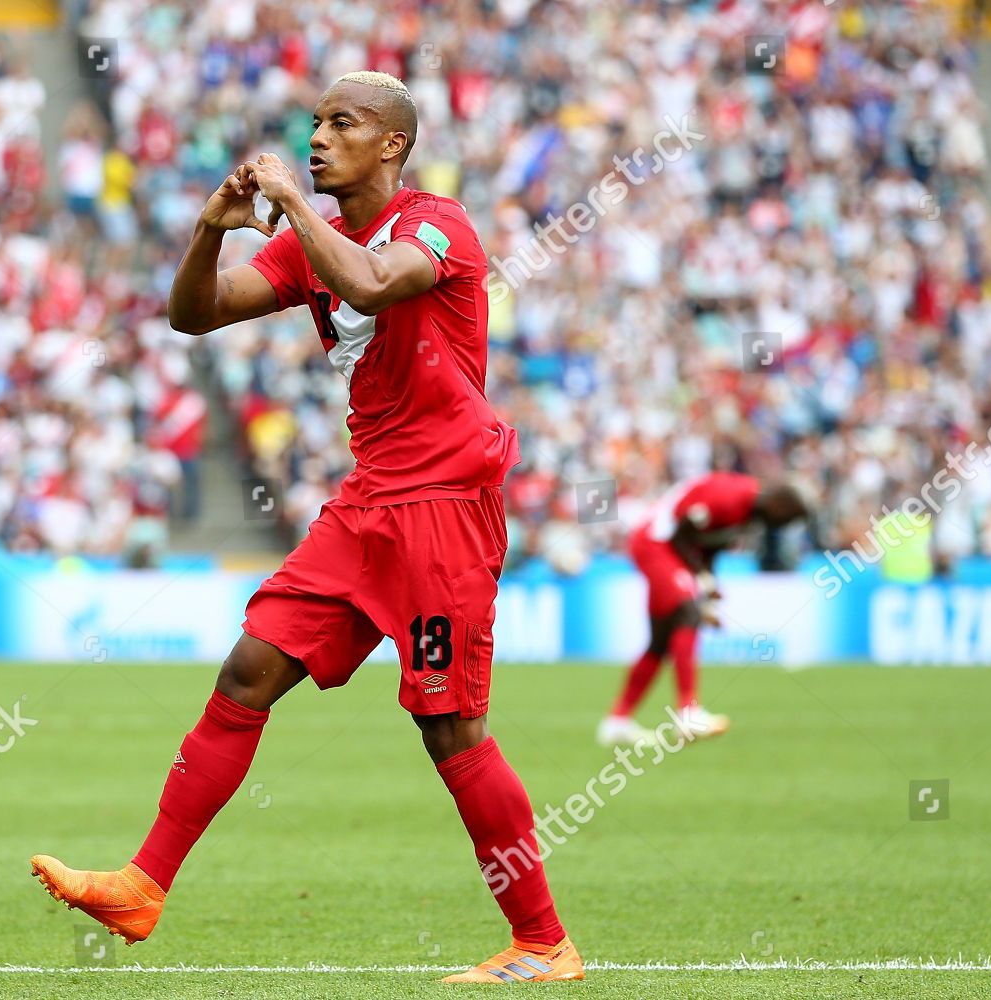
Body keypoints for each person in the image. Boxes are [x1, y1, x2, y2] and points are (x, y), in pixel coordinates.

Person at [31, 71, 584, 984]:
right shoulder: (308, 249)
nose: (318, 137)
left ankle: (542, 941)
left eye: (344, 123)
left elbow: (368, 284)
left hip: (445, 507)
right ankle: (143, 885)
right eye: (315, 122)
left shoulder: (435, 224)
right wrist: (212, 226)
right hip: (367, 504)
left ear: (393, 145)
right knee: (248, 671)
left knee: (453, 732)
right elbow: (192, 314)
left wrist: (289, 199)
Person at [597, 473, 810, 747]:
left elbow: (709, 545)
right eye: (786, 520)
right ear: (779, 507)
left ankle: (617, 721)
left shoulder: (748, 514)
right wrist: (701, 581)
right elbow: (681, 534)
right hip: (655, 542)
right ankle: (688, 712)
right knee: (688, 613)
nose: (781, 526)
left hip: (669, 549)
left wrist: (707, 589)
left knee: (659, 643)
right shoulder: (729, 498)